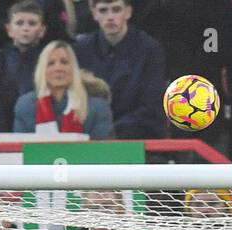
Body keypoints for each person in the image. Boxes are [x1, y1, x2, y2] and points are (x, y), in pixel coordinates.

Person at [71, 0, 166, 137]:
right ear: (94, 13)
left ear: (128, 12)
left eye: (116, 10)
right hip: (91, 134)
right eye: (103, 10)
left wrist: (111, 130)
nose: (110, 17)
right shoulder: (81, 50)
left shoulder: (149, 49)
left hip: (138, 136)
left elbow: (152, 105)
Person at [12, 39, 113, 139]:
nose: (58, 68)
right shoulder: (25, 106)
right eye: (51, 63)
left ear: (74, 68)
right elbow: (20, 151)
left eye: (64, 62)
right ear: (42, 69)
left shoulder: (98, 108)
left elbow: (103, 152)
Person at [0, 0, 46, 96]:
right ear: (9, 30)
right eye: (19, 23)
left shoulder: (49, 58)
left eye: (32, 23)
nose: (25, 28)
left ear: (42, 30)